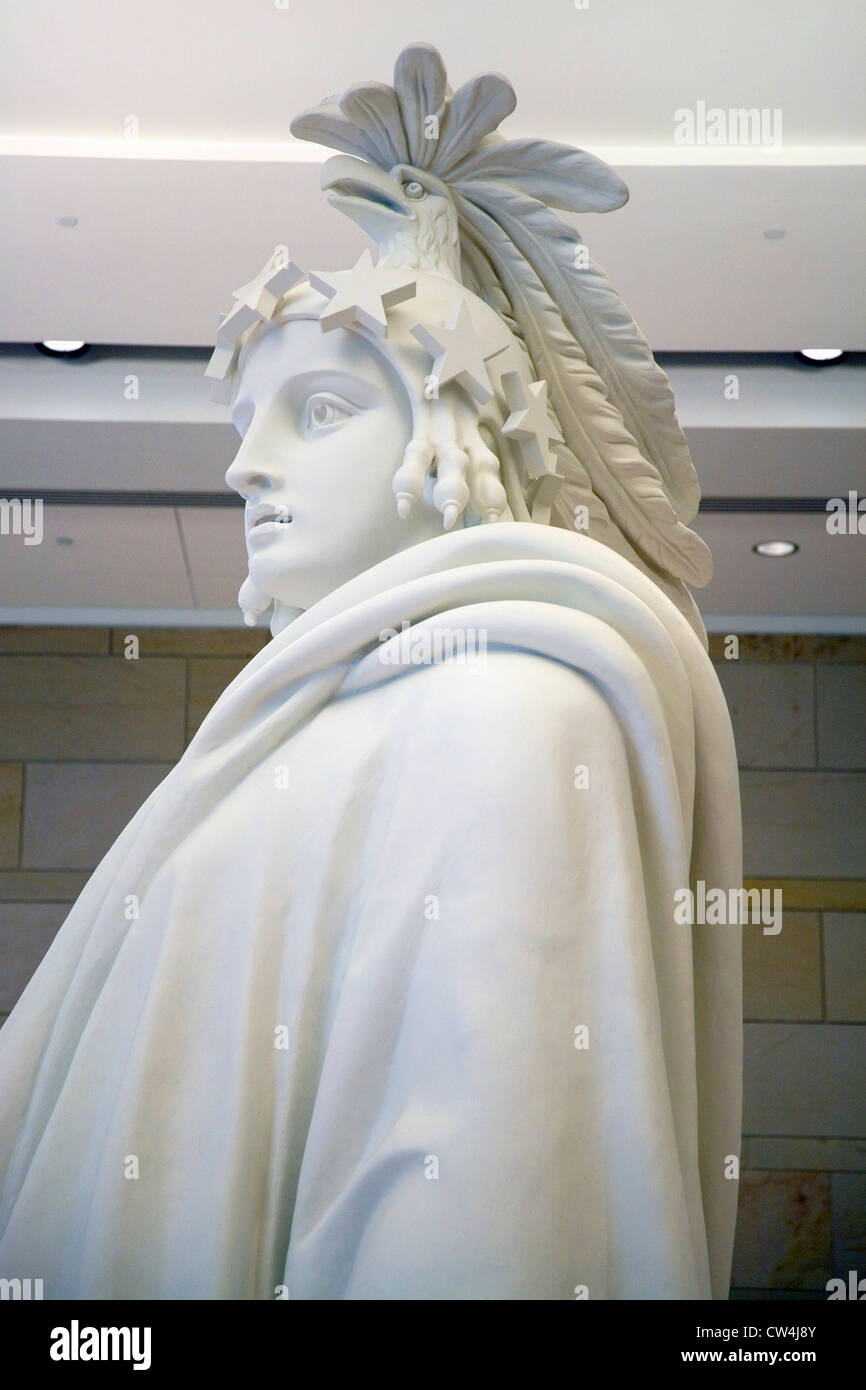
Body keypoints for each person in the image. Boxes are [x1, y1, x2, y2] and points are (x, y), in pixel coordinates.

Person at [0, 42, 742, 1300]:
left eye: (323, 411)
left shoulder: (505, 710)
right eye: (246, 422)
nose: (246, 467)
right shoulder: (303, 734)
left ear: (461, 440)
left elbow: (471, 1201)